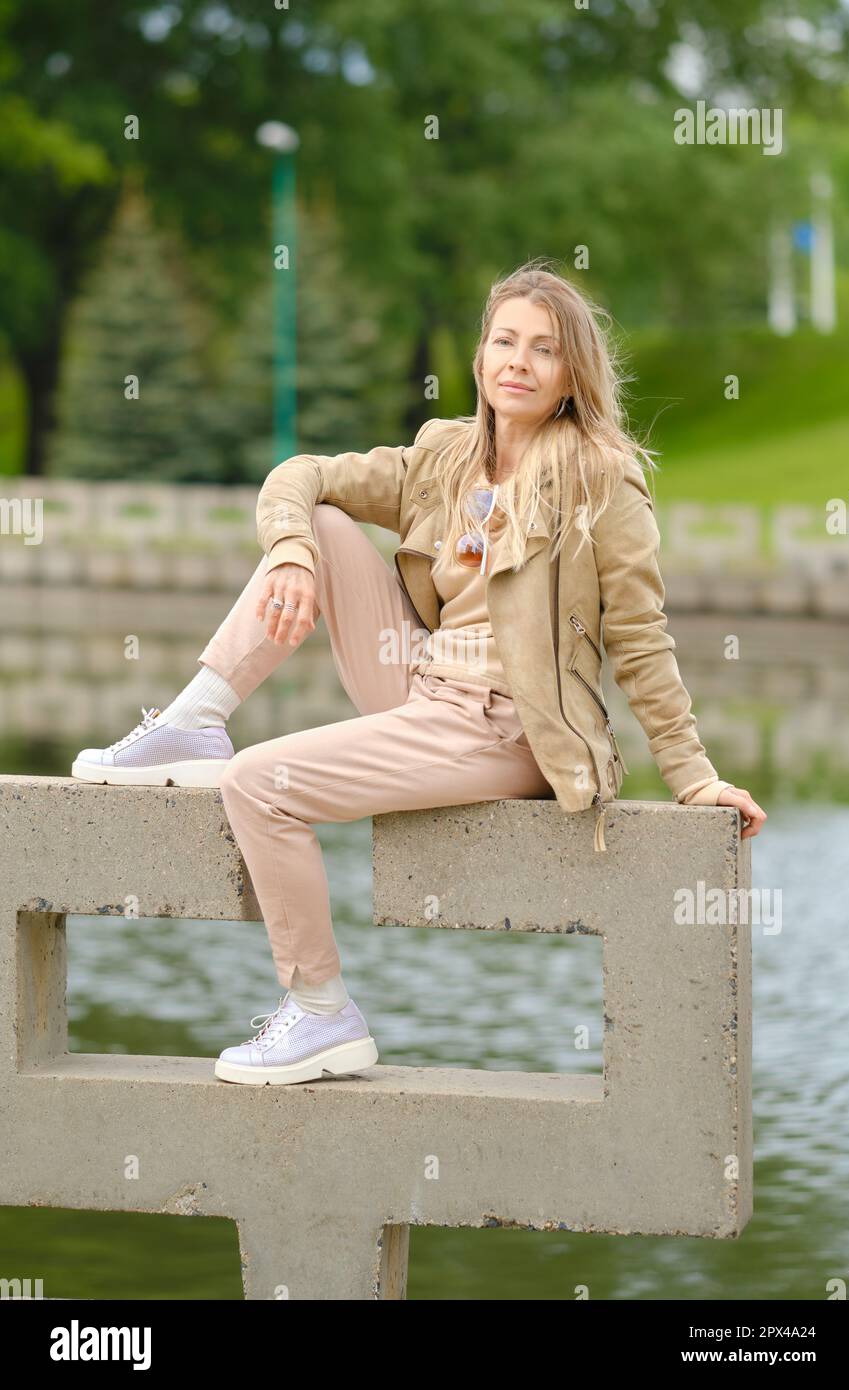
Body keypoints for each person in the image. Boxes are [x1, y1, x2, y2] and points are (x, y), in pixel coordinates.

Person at [71, 258, 766, 1086]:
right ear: (478, 358)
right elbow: (301, 477)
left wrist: (695, 779)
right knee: (324, 525)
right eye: (503, 340)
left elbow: (643, 640)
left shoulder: (599, 478)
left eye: (543, 349)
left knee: (259, 783)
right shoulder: (446, 456)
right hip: (417, 686)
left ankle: (322, 1013)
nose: (518, 360)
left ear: (571, 373)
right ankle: (195, 717)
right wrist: (292, 552)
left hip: (506, 727)